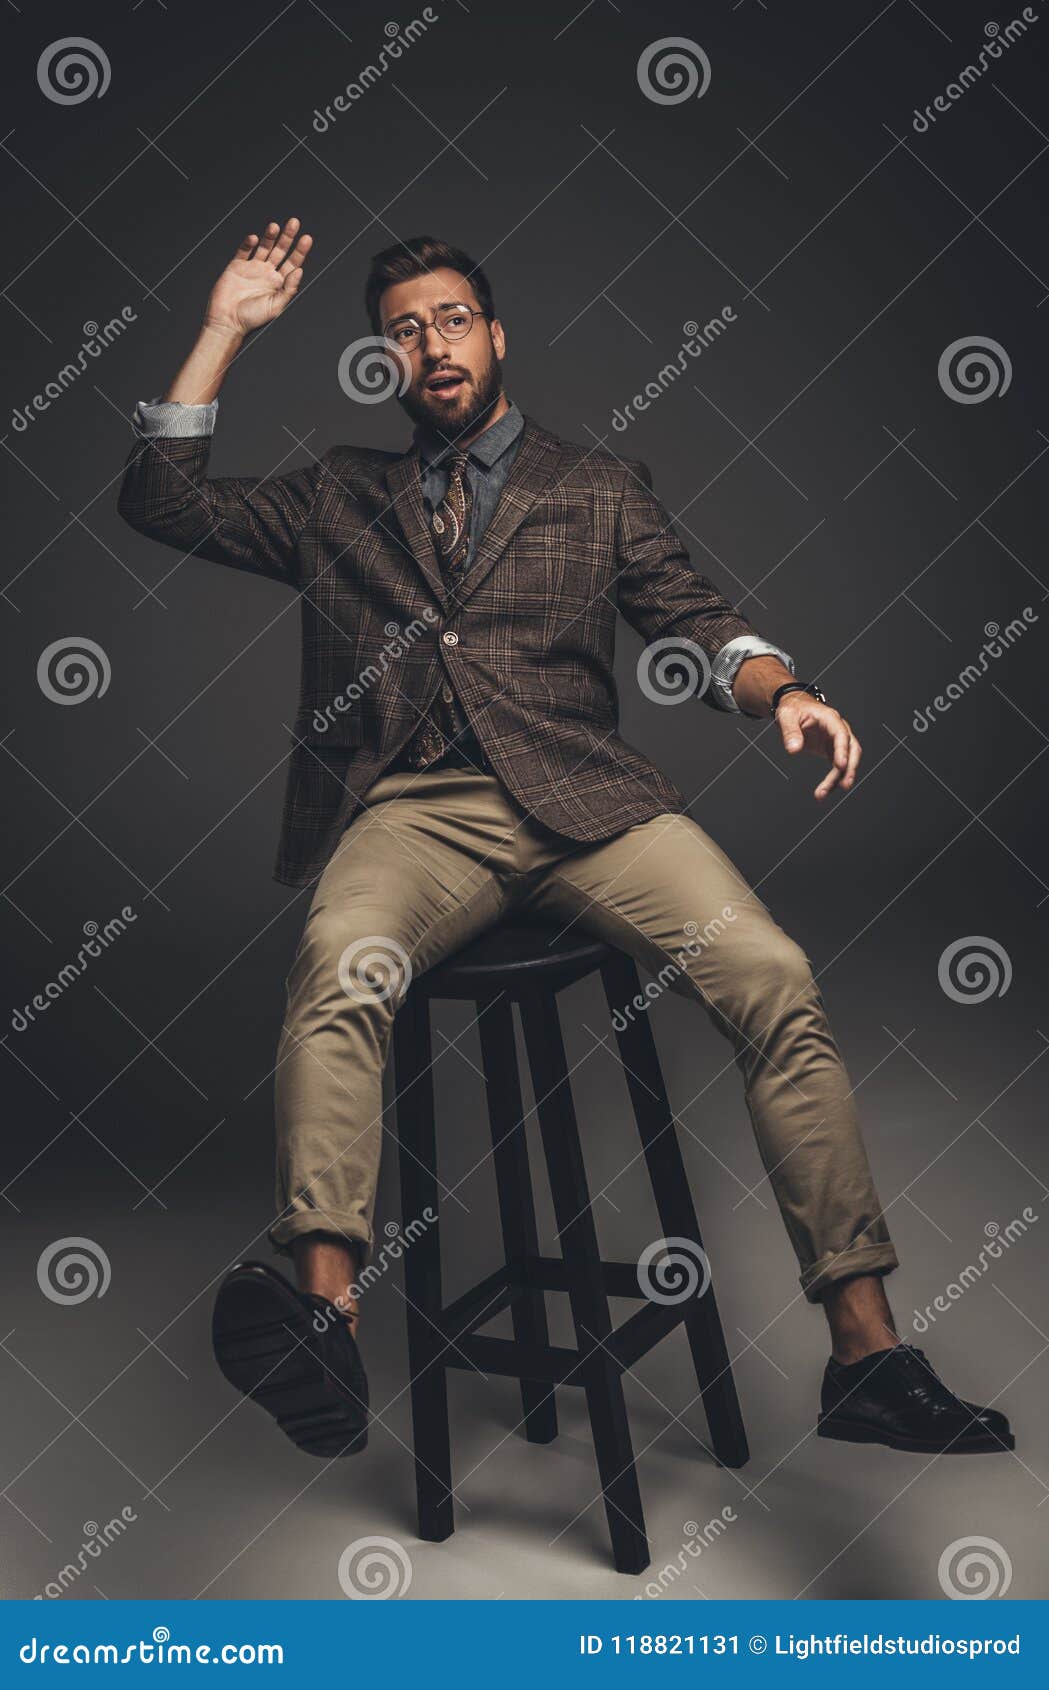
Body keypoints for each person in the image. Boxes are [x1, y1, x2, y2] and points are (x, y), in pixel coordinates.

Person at [117, 220, 1013, 1465]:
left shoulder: (593, 487)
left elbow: (694, 621)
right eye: (399, 331)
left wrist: (781, 690)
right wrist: (224, 327)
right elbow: (159, 500)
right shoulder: (336, 494)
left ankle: (865, 1354)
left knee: (773, 977)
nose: (426, 343)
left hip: (593, 809)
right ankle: (322, 1313)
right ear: (387, 363)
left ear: (493, 337)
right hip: (416, 815)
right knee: (339, 965)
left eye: (447, 319)